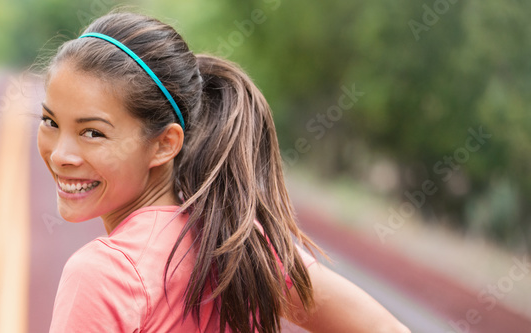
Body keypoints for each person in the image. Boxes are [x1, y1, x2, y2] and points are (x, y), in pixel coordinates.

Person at [39, 12, 409, 332]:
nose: (60, 155)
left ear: (165, 144)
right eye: (50, 121)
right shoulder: (237, 243)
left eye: (93, 133)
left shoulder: (103, 272)